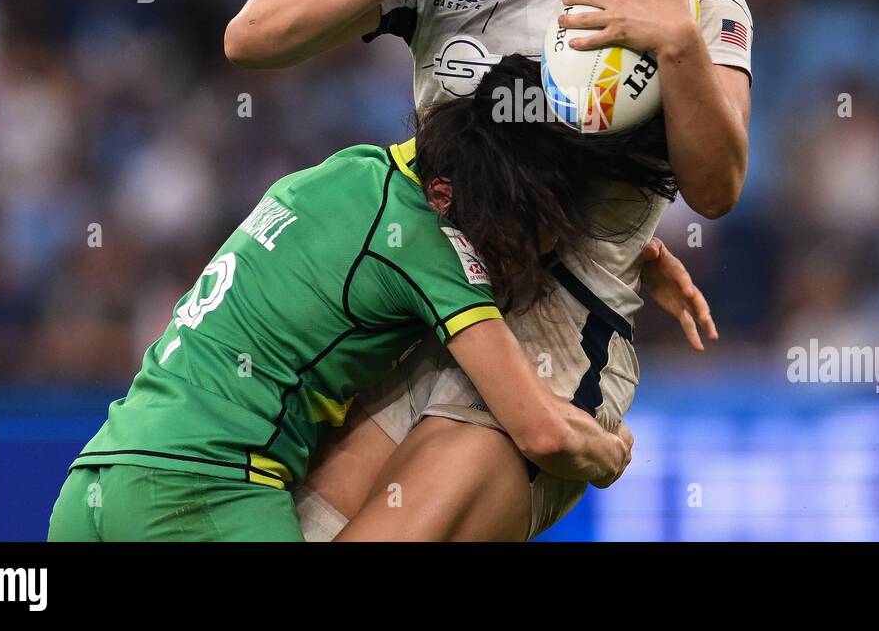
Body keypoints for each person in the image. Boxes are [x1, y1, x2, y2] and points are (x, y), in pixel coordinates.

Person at [226, 0, 752, 541]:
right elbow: (250, 37)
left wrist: (677, 44)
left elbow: (717, 188)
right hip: (416, 321)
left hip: (555, 339)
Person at [47, 55, 675, 541]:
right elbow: (537, 428)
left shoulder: (347, 171)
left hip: (98, 480)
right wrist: (606, 452)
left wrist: (638, 256)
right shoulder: (432, 247)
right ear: (457, 199)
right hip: (201, 493)